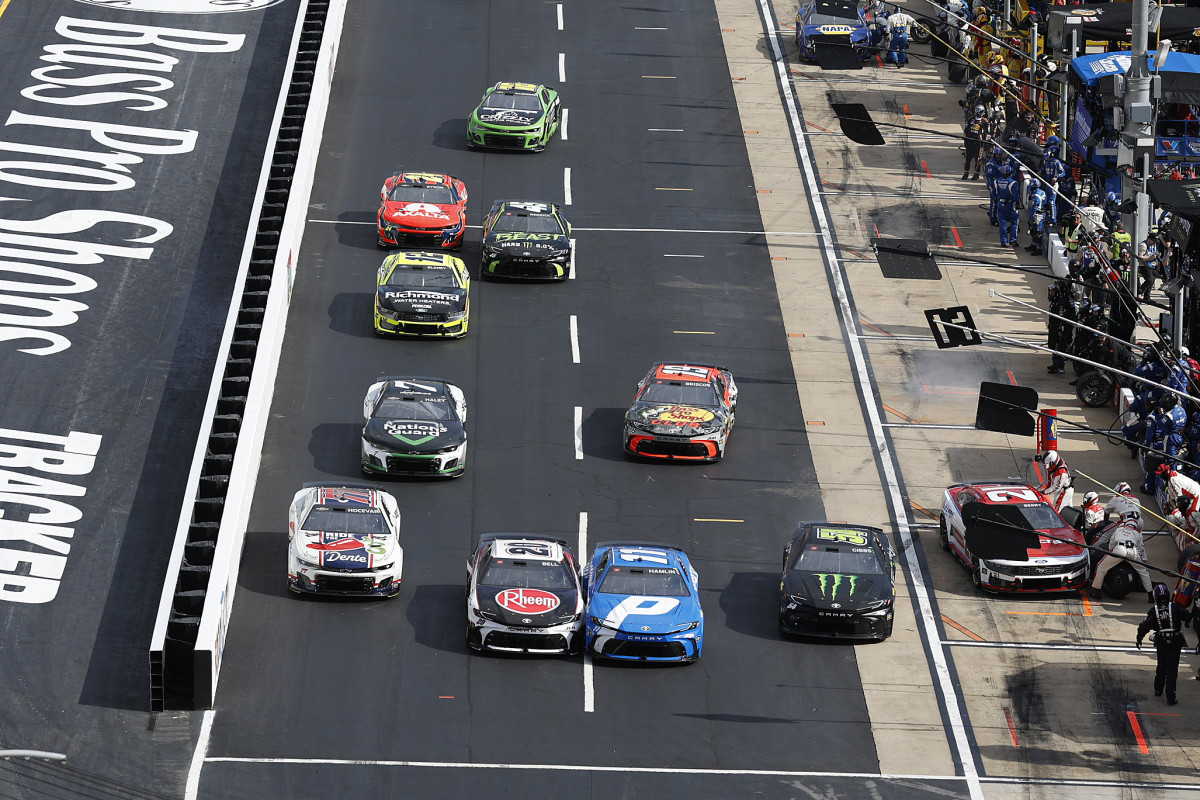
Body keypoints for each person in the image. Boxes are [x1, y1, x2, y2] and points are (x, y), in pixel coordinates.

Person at [1136, 583, 1189, 705]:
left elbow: (1144, 625)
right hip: (1175, 641)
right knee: (1172, 669)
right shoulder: (1175, 607)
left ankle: (1158, 690)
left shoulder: (1153, 611)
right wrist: (1187, 621)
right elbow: (1187, 615)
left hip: (1162, 642)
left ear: (1156, 597)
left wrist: (1139, 637)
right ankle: (1171, 698)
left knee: (1161, 666)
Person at [1091, 508, 1154, 601]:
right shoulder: (1138, 533)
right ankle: (1150, 595)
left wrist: (1112, 553)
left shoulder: (1119, 529)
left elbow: (1112, 543)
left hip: (1119, 549)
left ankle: (1096, 591)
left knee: (1101, 567)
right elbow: (1140, 549)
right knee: (1143, 572)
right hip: (1133, 551)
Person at [1137, 227, 1166, 301]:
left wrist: (1157, 255)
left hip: (1152, 265)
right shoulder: (1143, 245)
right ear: (1149, 239)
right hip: (1144, 265)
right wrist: (1150, 258)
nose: (1154, 243)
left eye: (1155, 241)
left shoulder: (1154, 245)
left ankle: (1147, 297)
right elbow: (1139, 257)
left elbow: (1153, 253)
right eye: (1153, 241)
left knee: (1153, 280)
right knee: (1149, 280)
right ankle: (1139, 293)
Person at [995, 165, 1020, 248]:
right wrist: (1018, 203)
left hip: (1000, 204)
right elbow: (1015, 195)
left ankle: (1004, 242)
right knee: (1014, 222)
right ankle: (1013, 240)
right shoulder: (1013, 183)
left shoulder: (997, 181)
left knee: (1002, 223)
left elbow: (994, 193)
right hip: (1010, 204)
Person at [1025, 183, 1048, 256]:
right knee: (1033, 230)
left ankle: (1039, 248)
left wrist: (1031, 216)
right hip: (1040, 212)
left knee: (1037, 232)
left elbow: (1035, 206)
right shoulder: (1041, 191)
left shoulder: (1036, 195)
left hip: (1038, 214)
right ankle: (1034, 245)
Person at [985, 148, 1005, 226]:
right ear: (994, 154)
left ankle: (998, 215)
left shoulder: (1002, 162)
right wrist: (992, 187)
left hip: (1001, 185)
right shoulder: (991, 163)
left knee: (1001, 202)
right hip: (993, 185)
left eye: (1000, 155)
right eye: (997, 154)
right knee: (994, 202)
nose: (999, 156)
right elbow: (989, 176)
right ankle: (993, 219)